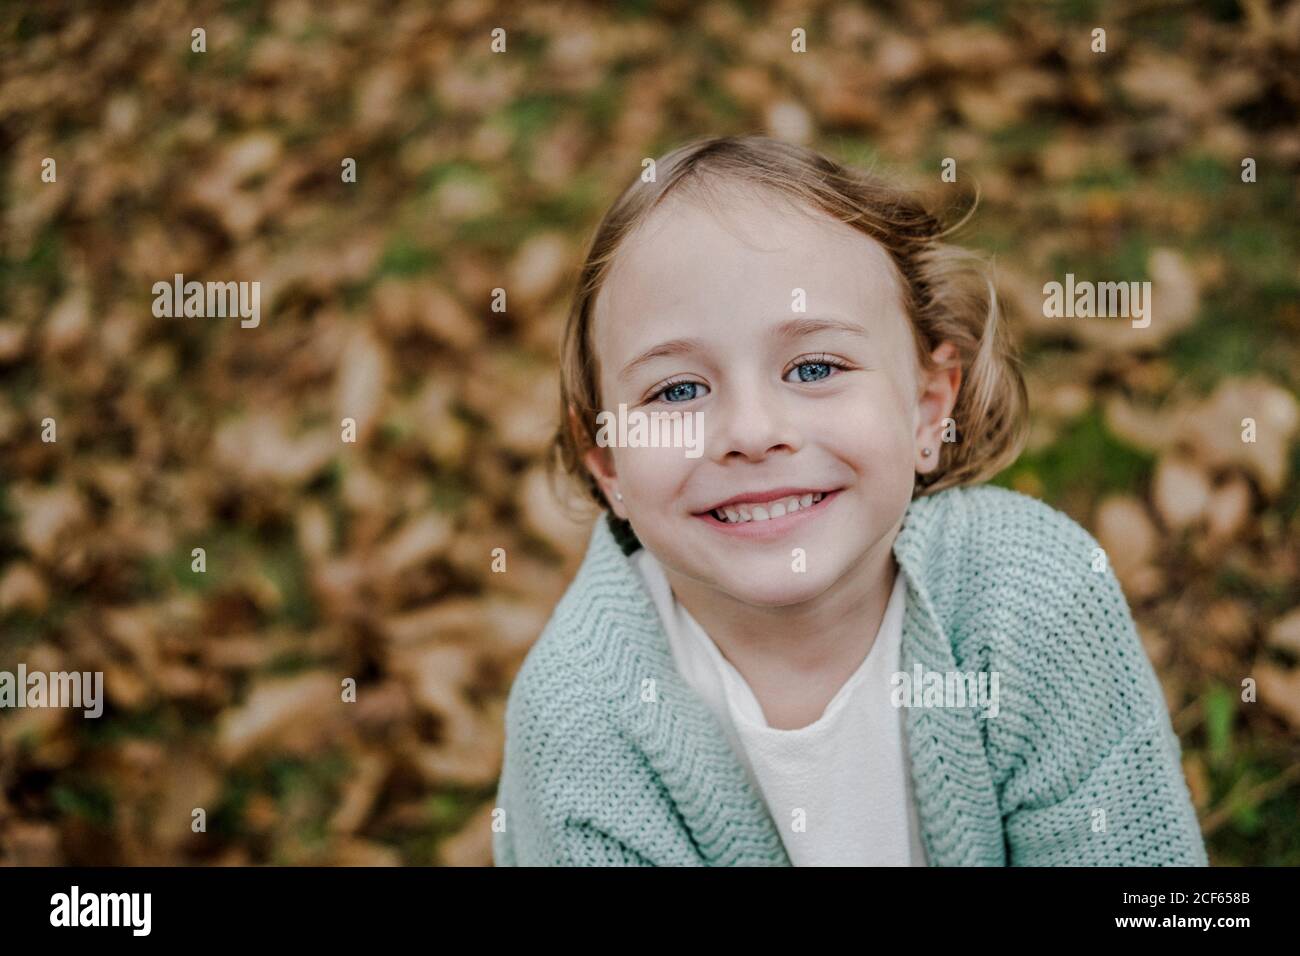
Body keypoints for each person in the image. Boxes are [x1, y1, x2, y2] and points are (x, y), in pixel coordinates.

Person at [491, 134, 1207, 867]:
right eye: (678, 389)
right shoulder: (581, 724)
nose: (752, 432)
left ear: (928, 408)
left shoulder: (1034, 601)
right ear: (607, 457)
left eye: (813, 367)